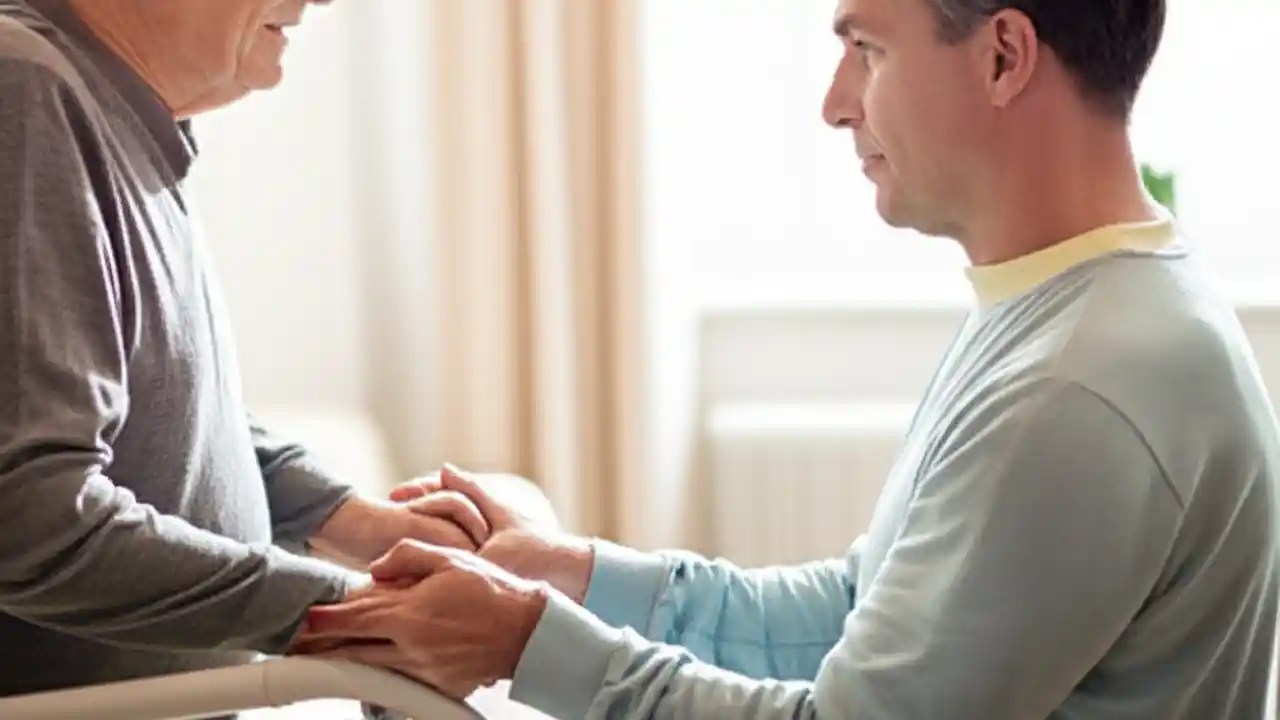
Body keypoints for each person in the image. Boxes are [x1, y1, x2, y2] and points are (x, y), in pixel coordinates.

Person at [299, 0, 1280, 717]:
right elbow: (861, 615)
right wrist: (572, 576)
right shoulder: (1070, 308)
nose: (833, 102)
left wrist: (524, 642)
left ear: (1001, 57)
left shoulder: (1082, 386)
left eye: (865, 48)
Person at [0, 0, 487, 697]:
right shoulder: (21, 90)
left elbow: (164, 410)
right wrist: (352, 610)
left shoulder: (109, 109)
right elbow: (32, 524)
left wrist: (354, 522)